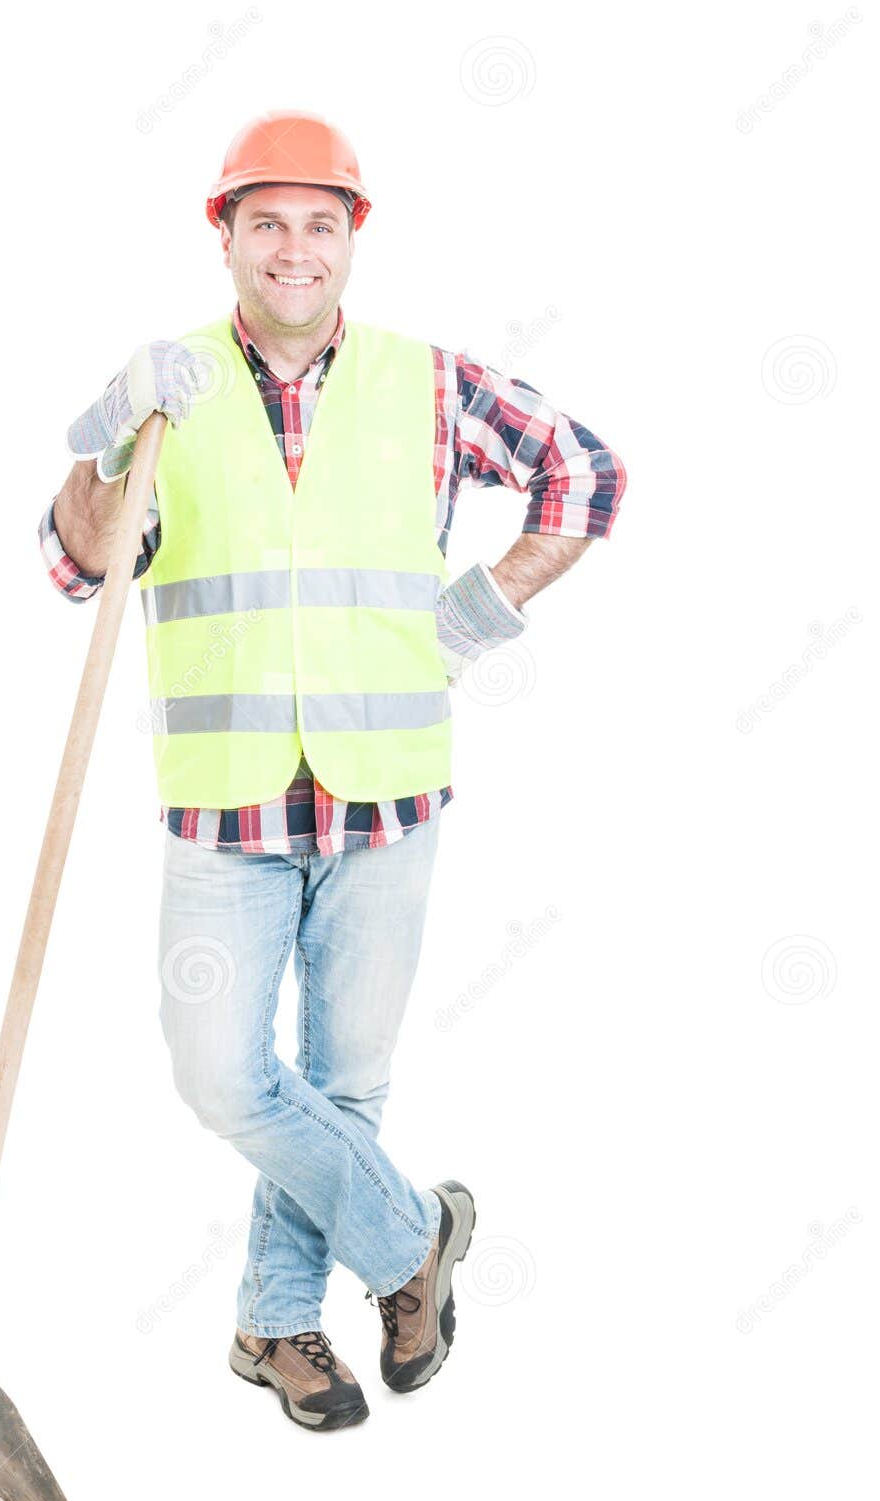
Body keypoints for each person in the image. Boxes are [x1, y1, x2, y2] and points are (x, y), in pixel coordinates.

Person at [40, 109, 627, 1433]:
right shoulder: (167, 383)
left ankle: (276, 1325)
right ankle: (413, 1237)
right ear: (227, 236)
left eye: (321, 224)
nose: (294, 251)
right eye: (267, 224)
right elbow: (79, 561)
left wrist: (472, 620)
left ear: (353, 237)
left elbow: (585, 475)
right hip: (224, 798)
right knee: (221, 1073)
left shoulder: (427, 382)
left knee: (344, 1084)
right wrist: (107, 442)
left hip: (390, 788)